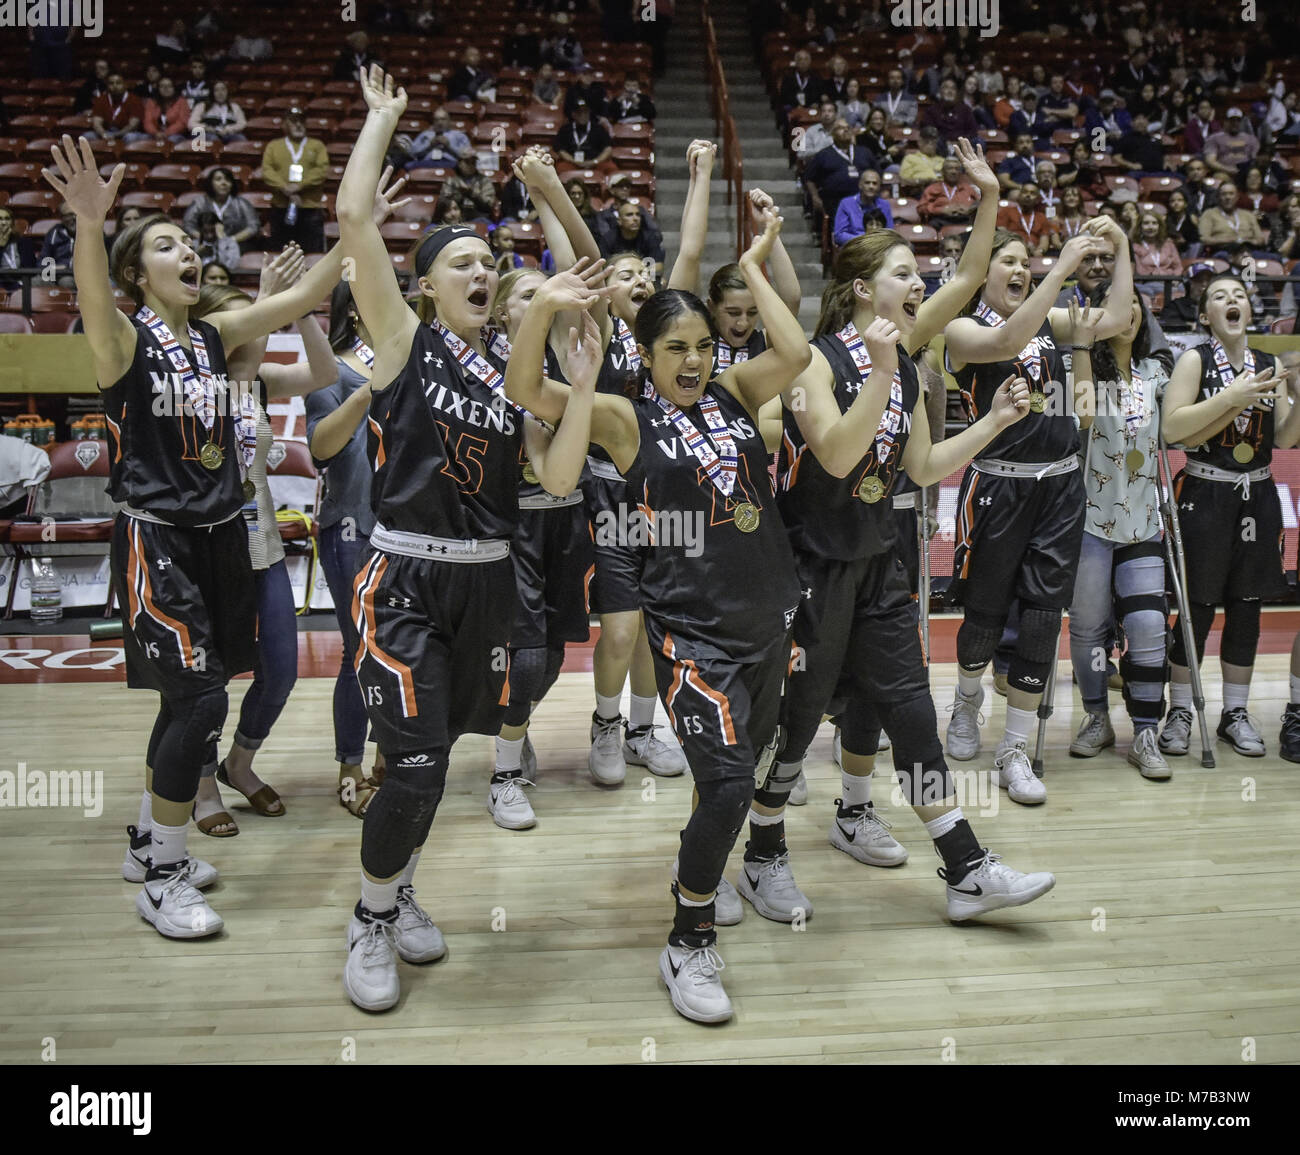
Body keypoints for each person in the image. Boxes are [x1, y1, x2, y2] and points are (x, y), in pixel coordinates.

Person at [333, 68, 602, 1012]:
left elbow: (559, 476)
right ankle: (369, 921)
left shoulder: (506, 373)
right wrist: (383, 118)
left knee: (433, 763)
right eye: (463, 262)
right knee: (410, 762)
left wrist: (586, 371)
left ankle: (396, 886)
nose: (484, 272)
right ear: (425, 284)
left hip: (485, 583)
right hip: (404, 575)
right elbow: (355, 219)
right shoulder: (405, 340)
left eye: (492, 262)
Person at [508, 208, 810, 1025]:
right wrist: (543, 313)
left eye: (705, 346)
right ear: (644, 355)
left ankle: (725, 876)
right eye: (676, 347)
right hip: (693, 633)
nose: (694, 360)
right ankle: (688, 938)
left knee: (749, 780)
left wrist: (753, 260)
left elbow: (795, 353)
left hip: (767, 622)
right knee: (723, 788)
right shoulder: (622, 415)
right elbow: (524, 391)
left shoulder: (738, 392)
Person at [41, 134, 345, 941]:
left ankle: (148, 841)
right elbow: (92, 292)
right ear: (139, 273)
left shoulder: (215, 340)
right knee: (203, 698)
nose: (189, 250)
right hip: (158, 537)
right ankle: (165, 877)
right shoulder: (125, 340)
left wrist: (357, 226)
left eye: (191, 241)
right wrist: (88, 223)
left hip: (221, 538)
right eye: (167, 244)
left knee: (187, 698)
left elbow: (300, 298)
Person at [759, 138, 1056, 922]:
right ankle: (760, 852)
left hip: (878, 562)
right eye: (902, 273)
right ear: (864, 289)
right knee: (794, 721)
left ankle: (965, 867)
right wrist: (890, 373)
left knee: (912, 712)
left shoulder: (909, 354)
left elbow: (920, 468)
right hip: (812, 570)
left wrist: (991, 420)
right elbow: (836, 450)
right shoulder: (817, 364)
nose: (918, 282)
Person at [942, 215, 1133, 804]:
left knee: (1046, 617)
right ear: (982, 276)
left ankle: (1016, 748)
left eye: (1028, 262)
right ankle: (968, 701)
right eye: (1011, 262)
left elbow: (1119, 319)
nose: (1022, 270)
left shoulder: (1052, 324)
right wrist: (1061, 270)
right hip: (998, 487)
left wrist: (1121, 248)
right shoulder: (961, 329)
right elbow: (1005, 342)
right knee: (982, 614)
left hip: (1059, 486)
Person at [189, 248, 345, 835]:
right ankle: (202, 782)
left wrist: (302, 310)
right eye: (247, 326)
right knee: (207, 677)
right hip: (205, 549)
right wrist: (268, 300)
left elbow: (325, 374)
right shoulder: (192, 387)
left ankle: (239, 763)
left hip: (263, 545)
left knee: (280, 668)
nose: (257, 334)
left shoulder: (261, 384)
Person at [1158, 276, 1296, 758]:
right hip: (1205, 489)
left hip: (1256, 493)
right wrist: (1231, 399)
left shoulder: (1268, 363)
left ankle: (1234, 712)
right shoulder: (1194, 359)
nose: (1231, 300)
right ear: (1204, 317)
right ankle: (1178, 709)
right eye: (1219, 296)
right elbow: (1173, 428)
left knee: (1248, 604)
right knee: (1195, 606)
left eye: (1238, 294)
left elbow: (1281, 439)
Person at [1065, 284, 1173, 778]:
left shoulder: (1159, 373)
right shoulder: (1080, 368)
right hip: (1089, 519)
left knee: (1149, 626)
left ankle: (1146, 730)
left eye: (1133, 303)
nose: (1125, 313)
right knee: (1088, 628)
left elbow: (1177, 428)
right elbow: (1082, 417)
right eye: (1115, 304)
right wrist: (1083, 345)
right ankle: (1096, 718)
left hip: (1144, 520)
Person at [305, 281, 386, 818]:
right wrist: (367, 391)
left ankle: (388, 758)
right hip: (352, 526)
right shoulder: (331, 371)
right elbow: (320, 447)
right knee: (359, 651)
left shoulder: (410, 363)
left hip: (405, 529)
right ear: (355, 312)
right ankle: (349, 766)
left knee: (396, 649)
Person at [261, 108, 329, 253]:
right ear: (284, 125)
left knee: (312, 253)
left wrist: (299, 186)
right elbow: (267, 171)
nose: (298, 125)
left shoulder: (317, 146)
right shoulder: (274, 146)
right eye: (293, 121)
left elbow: (321, 170)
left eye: (301, 121)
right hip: (281, 208)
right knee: (281, 251)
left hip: (309, 208)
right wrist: (284, 187)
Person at [803, 119, 877, 224]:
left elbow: (877, 174)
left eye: (848, 128)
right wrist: (815, 197)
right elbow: (809, 178)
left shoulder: (864, 152)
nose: (846, 130)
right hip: (835, 201)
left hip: (864, 199)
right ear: (832, 134)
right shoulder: (824, 155)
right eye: (841, 128)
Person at [182, 167, 261, 253]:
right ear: (211, 183)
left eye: (227, 180)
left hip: (237, 245)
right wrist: (205, 238)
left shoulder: (242, 203)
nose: (224, 183)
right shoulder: (200, 202)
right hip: (204, 243)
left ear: (232, 184)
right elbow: (188, 225)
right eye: (218, 179)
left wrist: (232, 240)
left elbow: (253, 226)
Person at [594, 173, 662, 255]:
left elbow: (656, 234)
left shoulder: (640, 211)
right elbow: (605, 238)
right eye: (621, 186)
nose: (625, 189)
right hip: (615, 254)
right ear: (612, 190)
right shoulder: (603, 215)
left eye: (628, 186)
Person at [391, 106, 470, 170]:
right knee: (408, 165)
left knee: (464, 168)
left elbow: (468, 155)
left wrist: (449, 146)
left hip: (450, 163)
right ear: (433, 122)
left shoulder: (459, 135)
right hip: (427, 163)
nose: (440, 122)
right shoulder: (425, 135)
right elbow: (413, 153)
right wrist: (429, 146)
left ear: (449, 121)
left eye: (443, 119)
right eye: (436, 120)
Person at [832, 169, 895, 245]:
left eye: (874, 183)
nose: (871, 186)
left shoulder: (884, 205)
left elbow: (890, 233)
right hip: (855, 247)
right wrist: (865, 240)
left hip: (878, 247)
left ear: (879, 187)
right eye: (867, 183)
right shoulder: (846, 203)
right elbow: (839, 235)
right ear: (860, 185)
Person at [996, 182, 1059, 256]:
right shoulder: (1006, 211)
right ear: (1019, 196)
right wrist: (1022, 244)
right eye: (1025, 192)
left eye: (1032, 193)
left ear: (1037, 200)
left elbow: (1044, 241)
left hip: (1035, 253)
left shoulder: (1042, 217)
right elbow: (1001, 232)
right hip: (1011, 249)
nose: (1028, 195)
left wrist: (1040, 251)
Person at [1199, 182, 1265, 251]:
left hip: (1249, 250)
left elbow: (1260, 239)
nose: (1228, 197)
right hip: (1223, 252)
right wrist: (1231, 240)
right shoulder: (1209, 214)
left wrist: (1248, 241)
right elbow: (1204, 239)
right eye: (1224, 194)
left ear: (1237, 197)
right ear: (1218, 197)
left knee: (1272, 258)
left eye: (1231, 194)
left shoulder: (1248, 215)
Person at [439, 146, 498, 224]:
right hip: (454, 217)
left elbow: (489, 204)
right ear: (459, 163)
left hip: (478, 217)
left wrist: (472, 194)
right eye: (467, 162)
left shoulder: (484, 180)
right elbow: (444, 204)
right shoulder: (451, 181)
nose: (471, 165)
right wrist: (459, 195)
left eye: (473, 162)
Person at [1132, 209, 1182, 295]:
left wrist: (1174, 279)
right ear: (1140, 227)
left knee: (1183, 287)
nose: (1150, 227)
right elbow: (1140, 271)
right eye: (1146, 223)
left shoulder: (1168, 244)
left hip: (1170, 281)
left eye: (1154, 223)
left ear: (1159, 226)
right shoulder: (1135, 247)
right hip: (1148, 282)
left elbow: (1178, 267)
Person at [1204, 108, 1260, 180]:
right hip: (1224, 172)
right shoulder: (1214, 138)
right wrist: (1228, 170)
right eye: (1232, 120)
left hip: (1246, 172)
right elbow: (1210, 161)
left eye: (1238, 120)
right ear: (1225, 121)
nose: (1235, 123)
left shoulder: (1251, 139)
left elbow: (1255, 159)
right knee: (1219, 176)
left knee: (1255, 174)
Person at [553, 100, 612, 167]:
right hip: (572, 162)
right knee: (561, 167)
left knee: (610, 167)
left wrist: (595, 161)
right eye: (579, 112)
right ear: (573, 114)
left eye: (585, 112)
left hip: (595, 162)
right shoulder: (565, 129)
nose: (583, 115)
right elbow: (560, 150)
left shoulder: (599, 129)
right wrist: (574, 161)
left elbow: (608, 148)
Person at [89, 74, 146, 143]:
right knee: (87, 136)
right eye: (111, 83)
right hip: (107, 132)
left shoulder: (134, 100)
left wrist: (116, 135)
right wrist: (104, 134)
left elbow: (132, 125)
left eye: (118, 83)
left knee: (131, 137)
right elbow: (96, 123)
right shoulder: (101, 99)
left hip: (126, 133)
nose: (115, 86)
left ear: (125, 85)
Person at [188, 80, 248, 145]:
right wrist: (206, 128)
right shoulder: (202, 106)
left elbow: (242, 123)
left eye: (223, 89)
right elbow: (191, 124)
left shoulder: (235, 107)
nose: (220, 93)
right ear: (212, 93)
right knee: (214, 140)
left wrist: (228, 130)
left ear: (227, 92)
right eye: (216, 90)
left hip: (228, 133)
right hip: (208, 133)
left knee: (241, 138)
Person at [923, 78, 978, 144]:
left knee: (979, 141)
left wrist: (960, 142)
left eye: (953, 88)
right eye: (946, 88)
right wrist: (946, 142)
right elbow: (930, 131)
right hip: (941, 145)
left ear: (956, 93)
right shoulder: (931, 111)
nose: (950, 91)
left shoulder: (965, 110)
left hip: (962, 144)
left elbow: (973, 131)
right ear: (941, 91)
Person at [0, 206, 39, 292]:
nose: (3, 223)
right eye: (0, 219)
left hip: (23, 281)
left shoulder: (24, 242)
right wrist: (2, 245)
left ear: (12, 223)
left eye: (7, 219)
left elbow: (29, 268)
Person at [143, 77, 190, 145]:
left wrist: (166, 133)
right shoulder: (151, 102)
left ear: (174, 88)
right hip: (154, 134)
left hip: (175, 135)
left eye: (169, 86)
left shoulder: (182, 102)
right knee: (132, 137)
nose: (166, 89)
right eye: (162, 86)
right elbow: (147, 121)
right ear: (158, 89)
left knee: (171, 140)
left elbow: (182, 122)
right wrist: (156, 133)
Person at [898, 125, 945, 191]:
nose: (930, 144)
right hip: (920, 190)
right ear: (919, 142)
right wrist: (924, 180)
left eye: (933, 141)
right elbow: (904, 180)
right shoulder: (910, 158)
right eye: (927, 141)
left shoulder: (943, 161)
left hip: (942, 190)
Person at [41, 203, 77, 288]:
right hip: (56, 273)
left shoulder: (92, 233)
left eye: (77, 214)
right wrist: (53, 267)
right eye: (69, 215)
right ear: (62, 218)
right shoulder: (54, 233)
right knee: (34, 281)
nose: (75, 218)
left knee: (66, 282)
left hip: (82, 275)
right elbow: (42, 261)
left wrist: (68, 267)